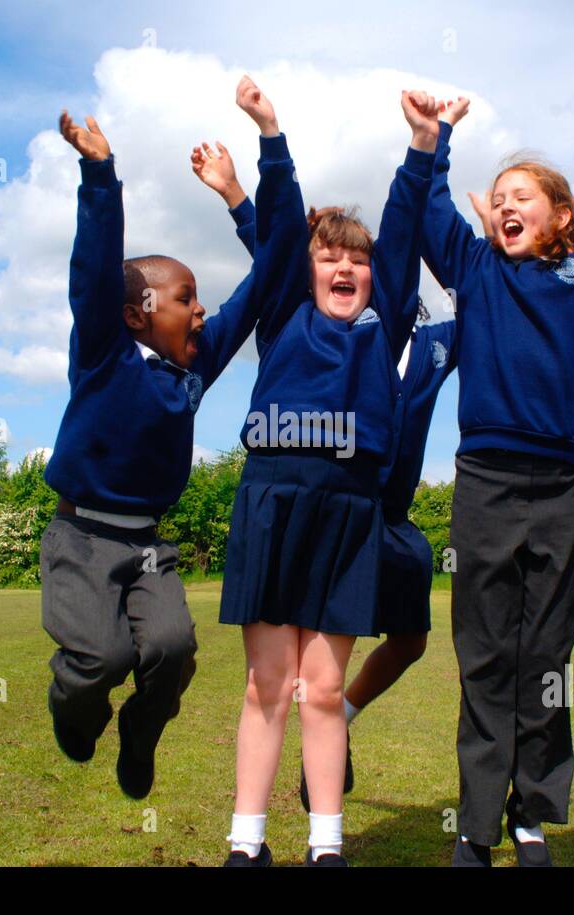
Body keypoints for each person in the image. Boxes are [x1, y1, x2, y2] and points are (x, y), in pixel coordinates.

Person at [421, 62, 574, 867]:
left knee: (545, 659)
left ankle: (531, 814)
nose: (509, 202)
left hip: (562, 487)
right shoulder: (477, 271)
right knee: (485, 655)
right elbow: (425, 208)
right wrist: (438, 136)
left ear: (562, 215)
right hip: (486, 483)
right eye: (501, 195)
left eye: (526, 194)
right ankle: (476, 825)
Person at [41, 107, 298, 800]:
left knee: (172, 650)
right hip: (81, 536)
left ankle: (142, 729)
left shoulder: (192, 368)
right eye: (185, 298)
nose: (201, 309)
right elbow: (93, 273)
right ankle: (75, 711)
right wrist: (101, 175)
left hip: (149, 543)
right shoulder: (103, 354)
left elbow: (269, 279)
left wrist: (238, 194)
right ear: (136, 315)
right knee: (102, 657)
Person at [218, 77, 437, 866]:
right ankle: (247, 844)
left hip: (350, 510)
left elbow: (406, 233)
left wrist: (421, 147)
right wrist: (272, 135)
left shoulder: (385, 328)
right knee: (265, 685)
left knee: (320, 687)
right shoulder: (283, 319)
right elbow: (279, 229)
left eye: (356, 260)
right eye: (328, 256)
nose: (344, 266)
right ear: (306, 272)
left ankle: (326, 846)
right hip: (273, 499)